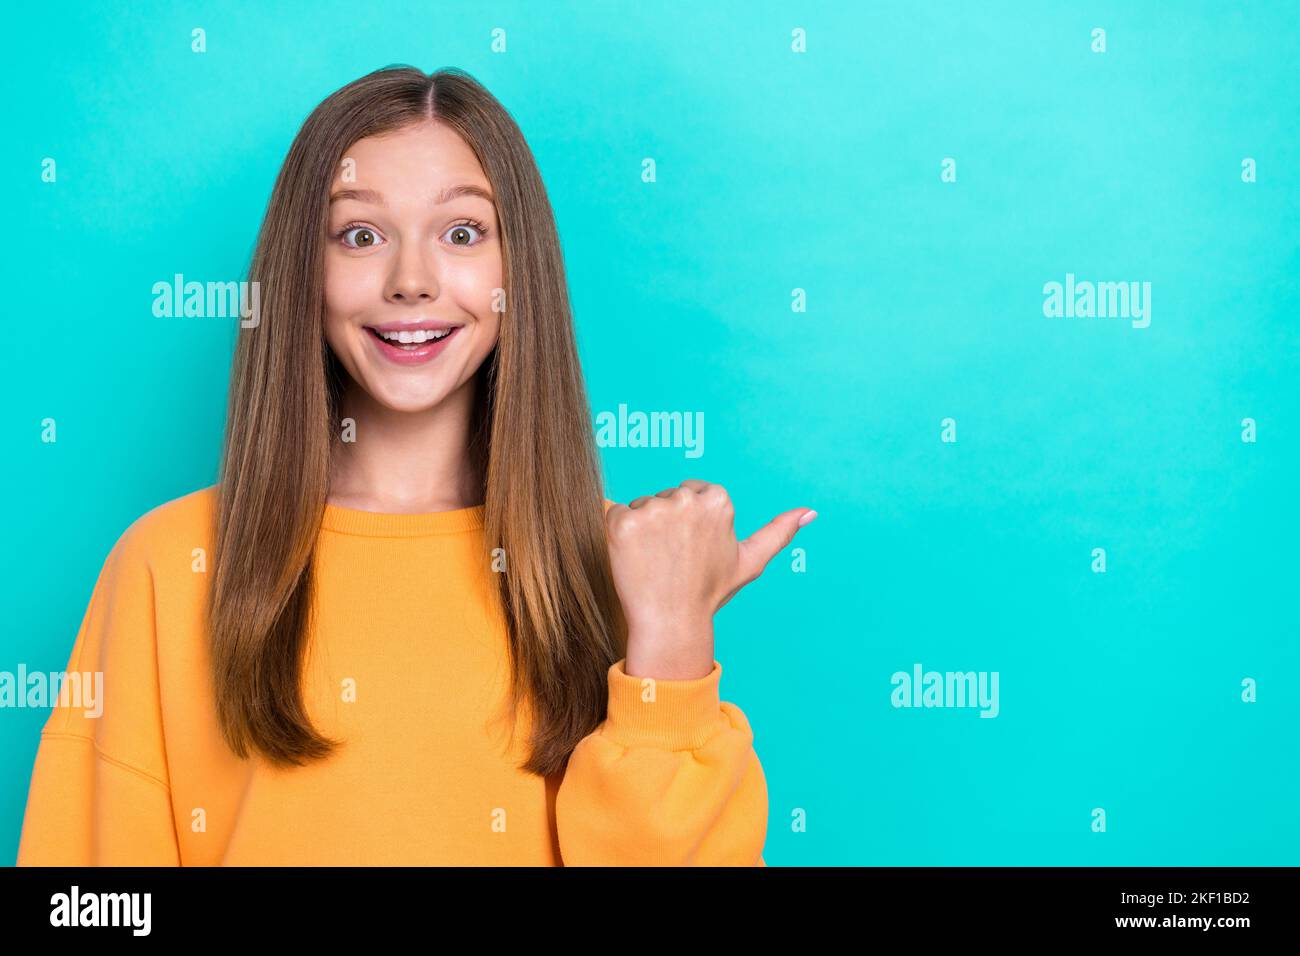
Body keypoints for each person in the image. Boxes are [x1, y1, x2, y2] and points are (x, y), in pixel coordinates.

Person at [15, 65, 816, 866]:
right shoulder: (170, 563)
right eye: (360, 235)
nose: (411, 282)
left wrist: (672, 636)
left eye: (461, 233)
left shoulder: (618, 566)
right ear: (304, 272)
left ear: (518, 269)